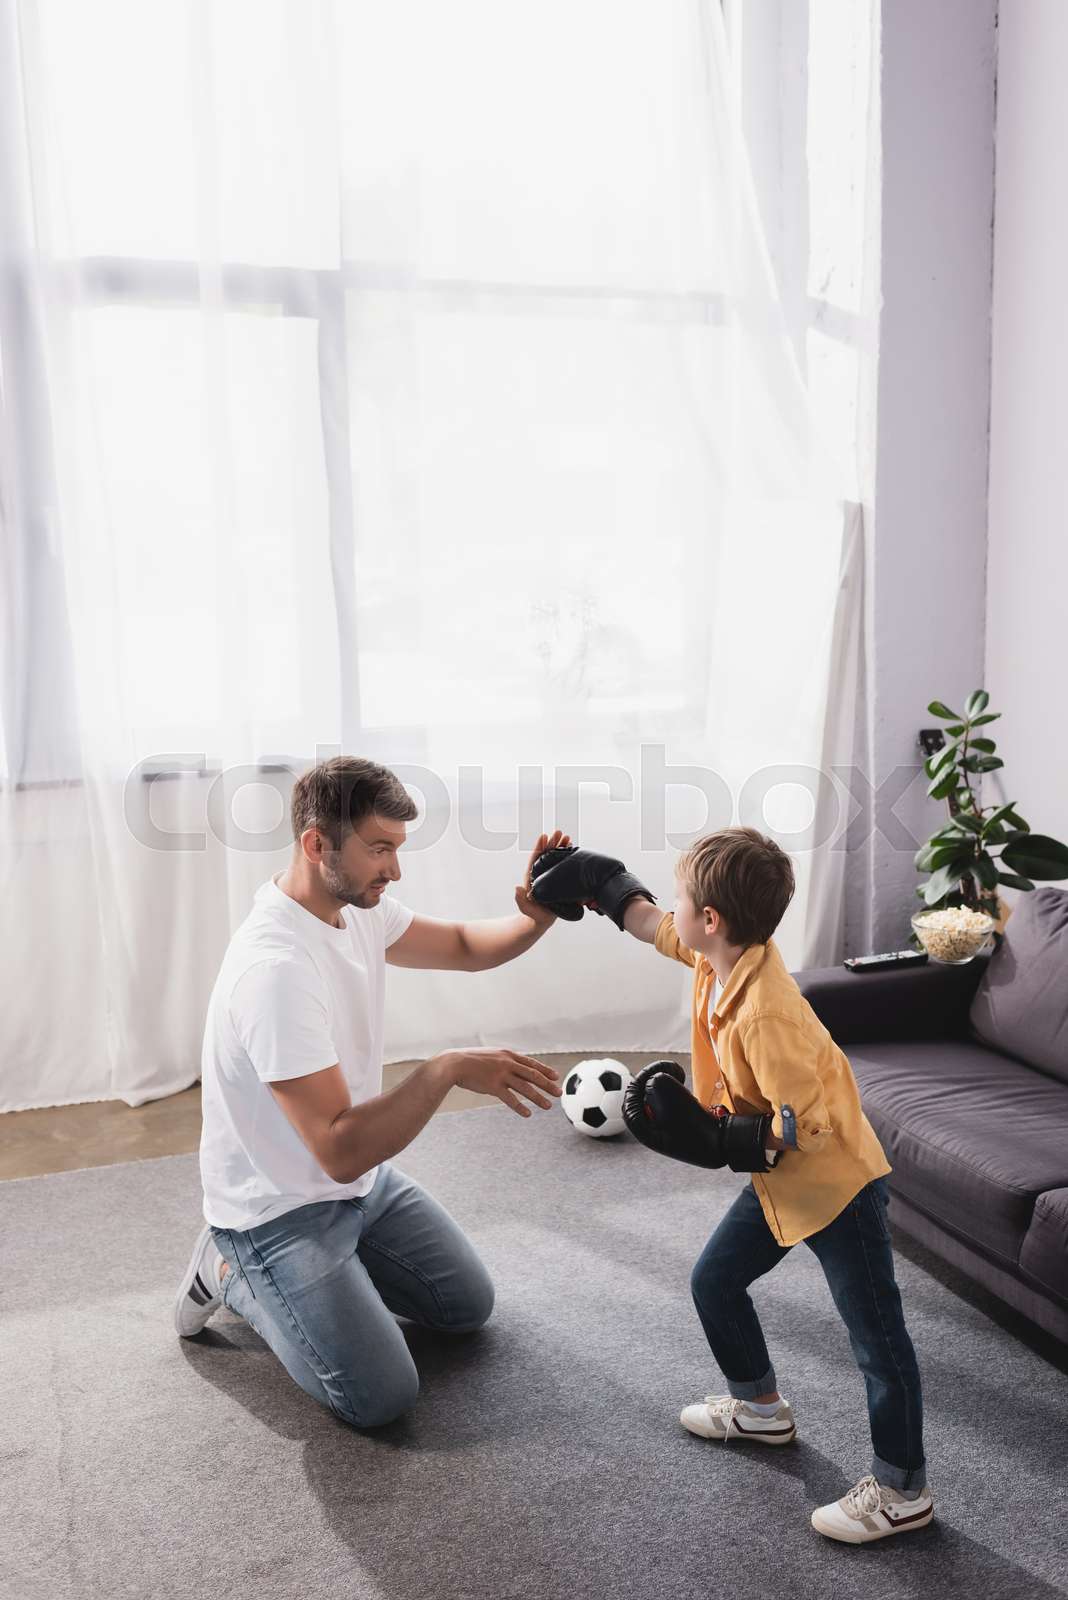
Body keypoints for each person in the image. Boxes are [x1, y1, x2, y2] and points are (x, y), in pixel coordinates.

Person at [530, 828, 932, 1545]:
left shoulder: (766, 1012)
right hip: (779, 1185)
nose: (671, 907)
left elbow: (799, 1126)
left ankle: (903, 1489)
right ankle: (761, 1408)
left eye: (682, 897)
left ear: (710, 918)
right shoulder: (716, 957)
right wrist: (599, 876)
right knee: (713, 1283)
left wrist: (715, 1140)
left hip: (837, 1188)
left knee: (877, 1339)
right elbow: (648, 921)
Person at [174, 755, 563, 1427]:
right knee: (380, 1397)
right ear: (316, 844)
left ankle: (331, 1277)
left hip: (361, 1189)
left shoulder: (355, 910)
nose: (395, 868)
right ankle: (233, 1272)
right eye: (379, 849)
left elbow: (468, 945)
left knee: (467, 1309)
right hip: (278, 1212)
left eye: (397, 848)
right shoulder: (274, 972)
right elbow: (338, 1149)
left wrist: (536, 918)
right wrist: (444, 1071)